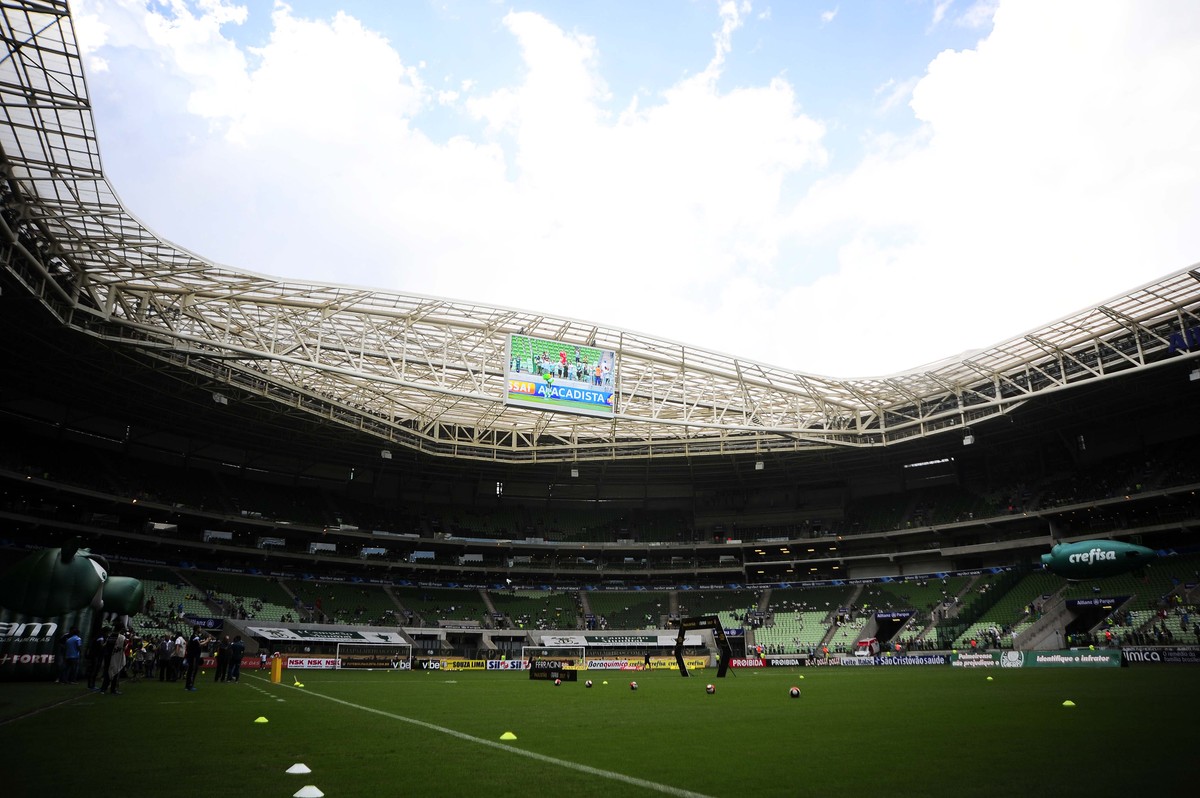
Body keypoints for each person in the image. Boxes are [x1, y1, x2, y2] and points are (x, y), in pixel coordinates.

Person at [184, 627, 203, 691]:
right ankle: (190, 685)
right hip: (194, 656)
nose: (200, 630)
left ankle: (188, 686)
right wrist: (207, 640)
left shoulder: (195, 636)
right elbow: (199, 644)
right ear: (197, 629)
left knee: (191, 671)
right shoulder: (194, 636)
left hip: (193, 656)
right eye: (200, 628)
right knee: (192, 671)